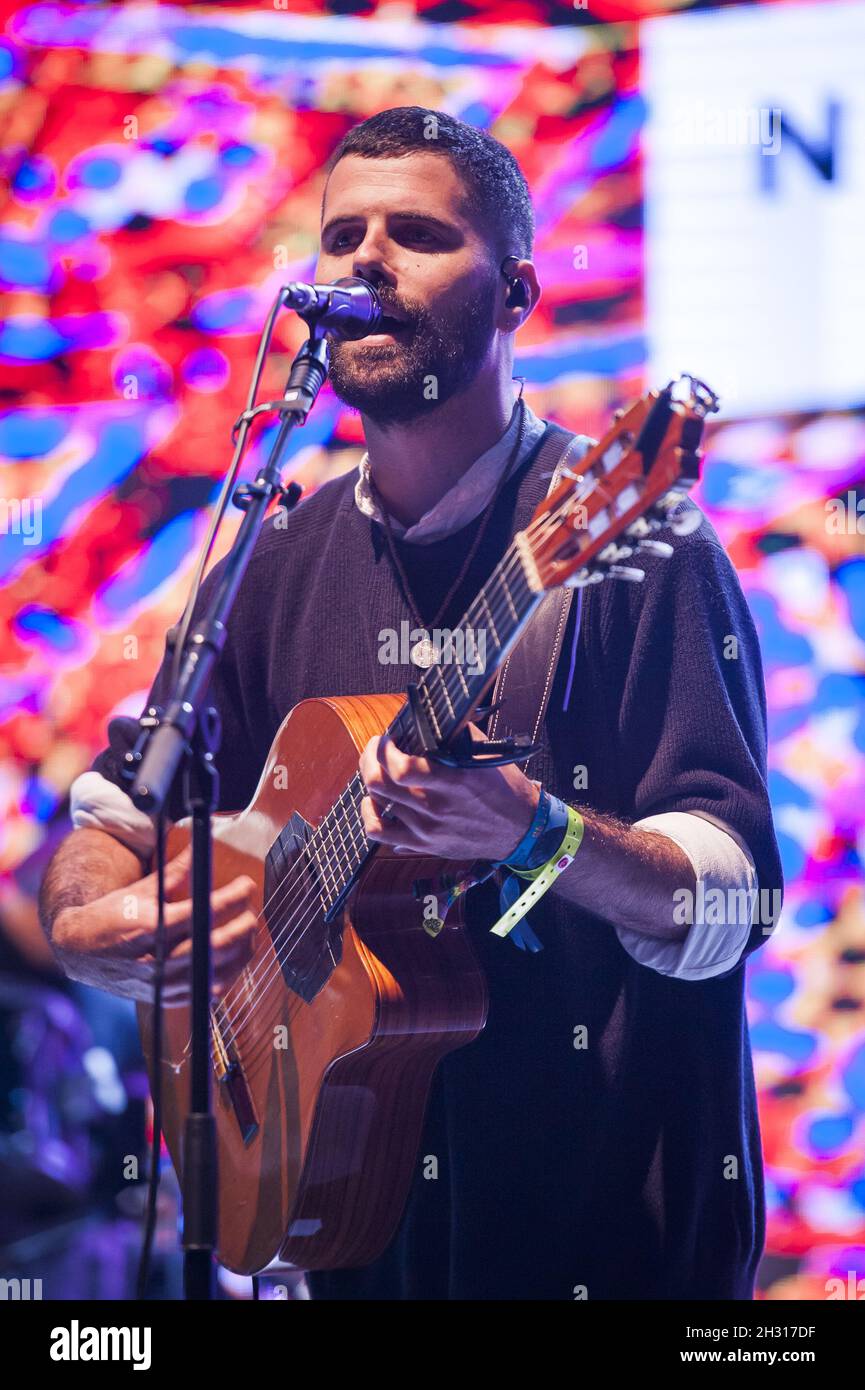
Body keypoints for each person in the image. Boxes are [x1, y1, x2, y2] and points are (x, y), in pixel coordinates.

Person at [39, 107, 783, 1300]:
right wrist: (91, 923)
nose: (364, 262)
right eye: (342, 237)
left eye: (418, 232)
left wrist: (540, 835)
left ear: (516, 294)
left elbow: (737, 898)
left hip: (604, 1251)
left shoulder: (636, 538)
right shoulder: (275, 553)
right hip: (353, 1254)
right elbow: (119, 814)